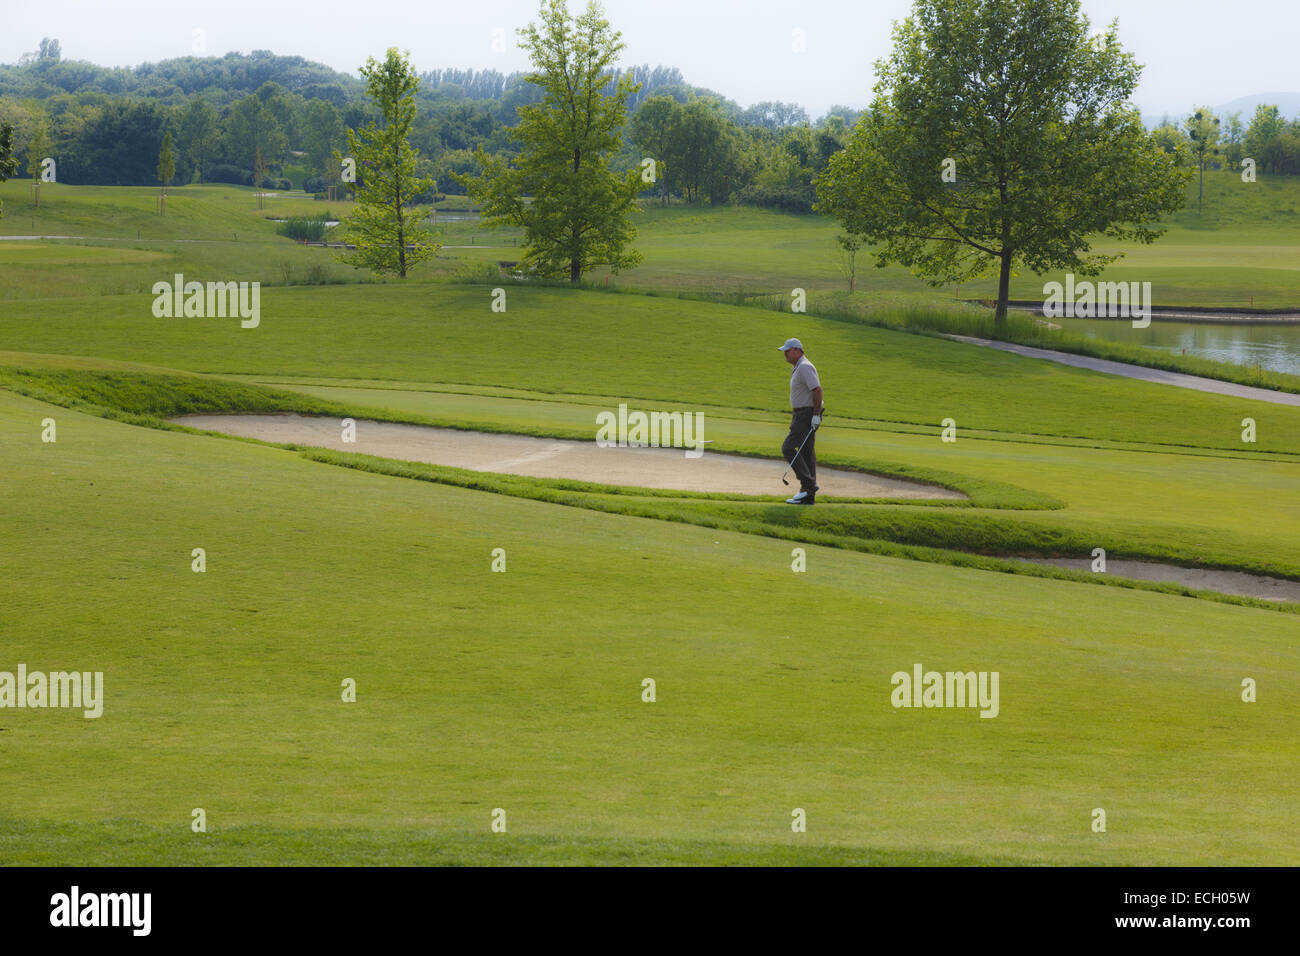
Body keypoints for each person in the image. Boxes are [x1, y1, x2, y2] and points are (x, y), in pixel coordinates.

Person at [777, 337, 823, 505]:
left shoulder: (804, 367)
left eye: (787, 352)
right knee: (807, 452)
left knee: (788, 447)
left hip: (806, 414)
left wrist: (816, 414)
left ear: (797, 350)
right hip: (803, 414)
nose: (785, 355)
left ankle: (808, 484)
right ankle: (808, 496)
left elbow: (817, 390)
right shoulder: (799, 367)